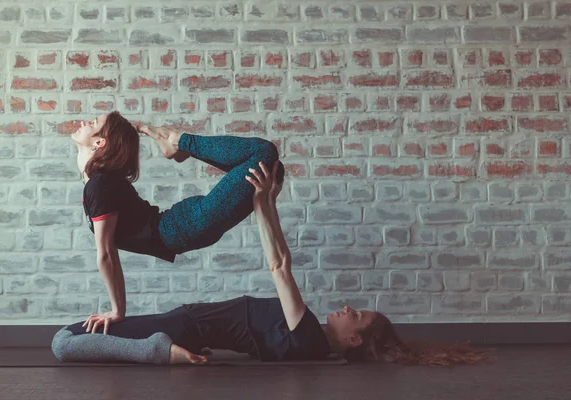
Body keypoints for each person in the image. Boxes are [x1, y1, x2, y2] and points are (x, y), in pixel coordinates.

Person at [52, 162, 490, 366]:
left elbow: (279, 264)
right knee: (70, 339)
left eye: (354, 315)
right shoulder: (310, 337)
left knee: (64, 341)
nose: (345, 308)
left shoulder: (310, 341)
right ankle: (158, 349)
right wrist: (262, 203)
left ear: (354, 340)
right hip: (189, 326)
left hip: (184, 330)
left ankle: (157, 352)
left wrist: (264, 202)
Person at [70, 111, 284, 334]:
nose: (84, 122)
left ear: (99, 142)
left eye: (93, 123)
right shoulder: (97, 183)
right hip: (187, 225)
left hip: (189, 224)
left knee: (267, 158)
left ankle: (178, 141)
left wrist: (117, 312)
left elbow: (106, 255)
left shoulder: (99, 185)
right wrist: (118, 311)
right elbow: (108, 253)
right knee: (264, 160)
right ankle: (177, 145)